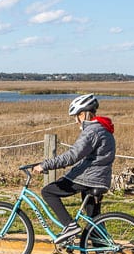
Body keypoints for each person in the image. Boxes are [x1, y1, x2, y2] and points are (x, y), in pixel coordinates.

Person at [31, 94, 115, 243]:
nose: (76, 121)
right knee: (93, 222)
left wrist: (44, 165)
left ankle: (69, 226)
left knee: (48, 191)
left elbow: (72, 156)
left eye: (76, 116)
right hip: (100, 179)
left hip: (89, 178)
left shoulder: (92, 131)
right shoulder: (104, 129)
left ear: (82, 114)